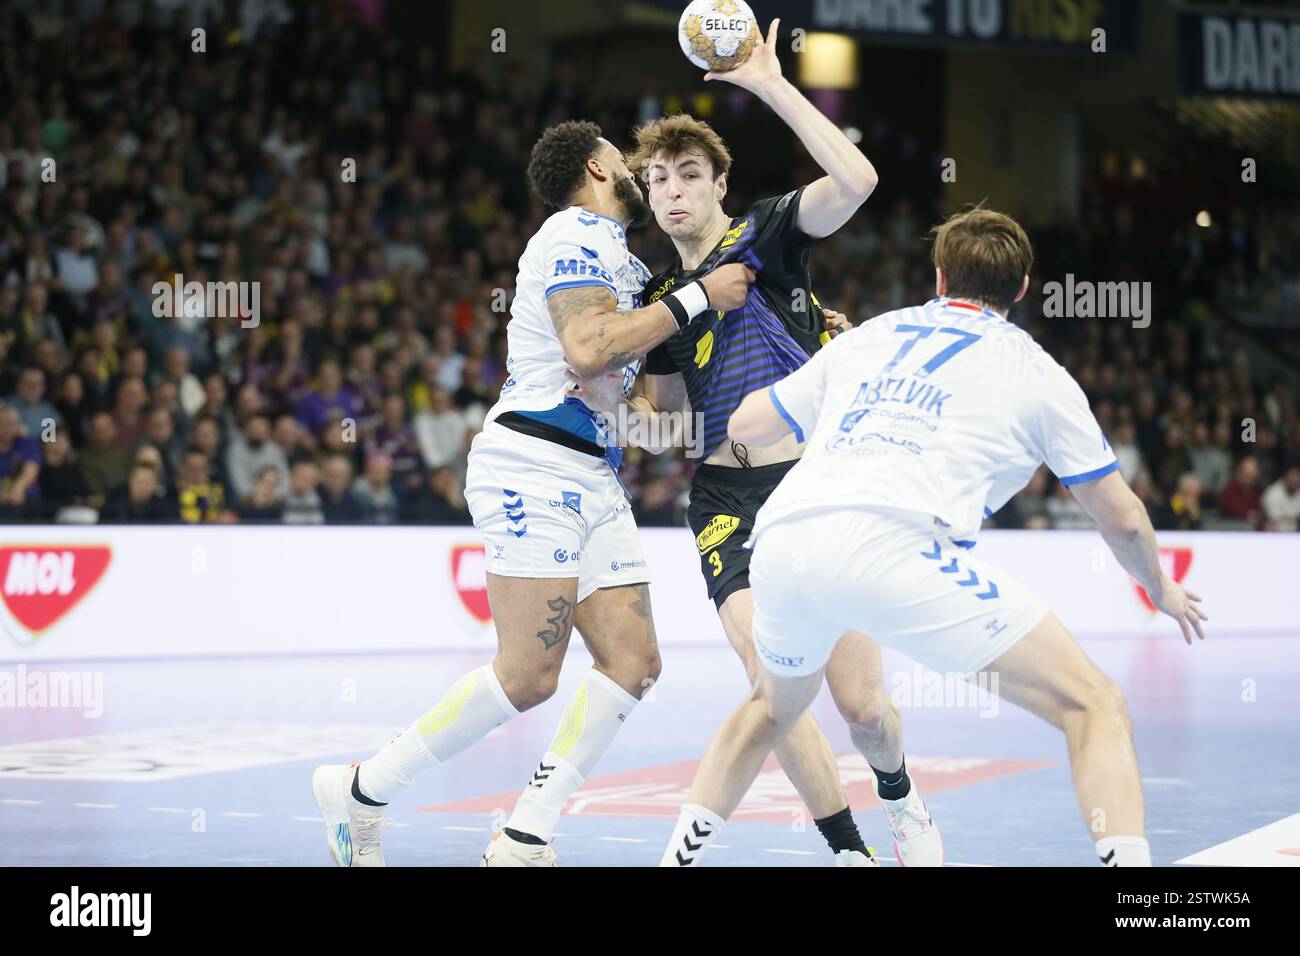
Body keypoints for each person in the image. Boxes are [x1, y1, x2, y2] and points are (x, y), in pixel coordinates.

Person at [659, 206, 1207, 868]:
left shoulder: (870, 337)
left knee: (771, 709)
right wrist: (1161, 587)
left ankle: (675, 861)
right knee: (1094, 703)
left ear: (940, 276)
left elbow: (744, 423)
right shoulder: (1038, 372)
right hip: (898, 549)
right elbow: (1120, 517)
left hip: (783, 539)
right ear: (1025, 288)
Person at [311, 119, 753, 867]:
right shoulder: (570, 234)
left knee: (634, 662)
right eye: (626, 157)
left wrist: (729, 362)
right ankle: (360, 791)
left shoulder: (631, 269)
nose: (643, 170)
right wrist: (696, 299)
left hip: (595, 473)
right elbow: (585, 348)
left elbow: (654, 425)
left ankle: (525, 833)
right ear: (596, 167)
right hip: (534, 464)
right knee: (528, 676)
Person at [589, 20, 932, 865]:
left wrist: (769, 85)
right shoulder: (664, 297)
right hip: (726, 502)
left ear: (719, 184)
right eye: (657, 178)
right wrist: (611, 388)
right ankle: (849, 852)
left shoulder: (768, 233)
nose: (672, 191)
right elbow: (664, 423)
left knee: (865, 710)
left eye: (690, 174)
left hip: (817, 491)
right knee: (773, 693)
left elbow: (857, 177)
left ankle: (901, 796)